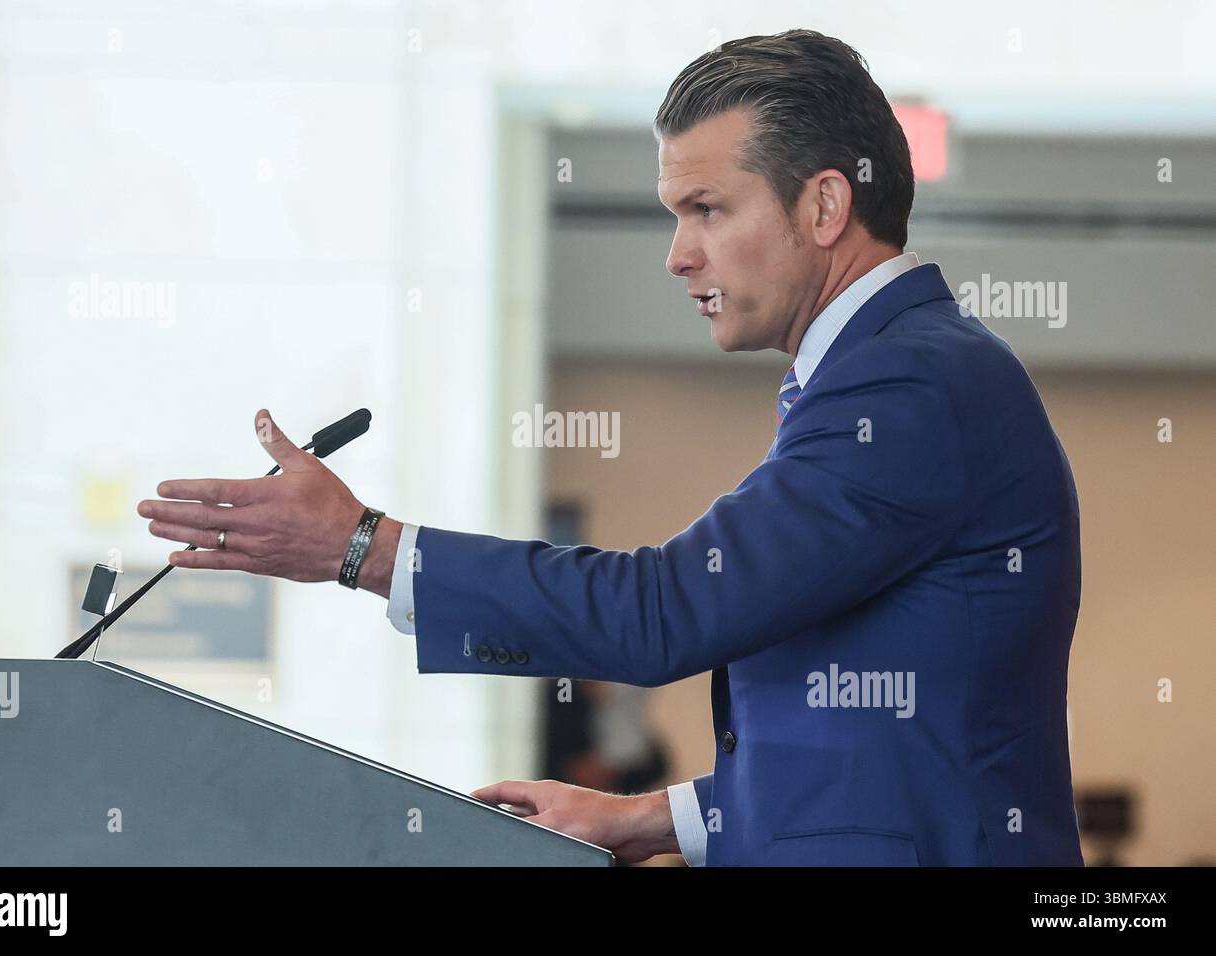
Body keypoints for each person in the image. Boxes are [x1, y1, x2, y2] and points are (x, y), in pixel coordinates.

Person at [138, 30, 1083, 866]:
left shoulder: (911, 385)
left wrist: (365, 549)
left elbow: (667, 611)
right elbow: (871, 756)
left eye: (707, 209)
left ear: (825, 205)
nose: (677, 254)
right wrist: (650, 820)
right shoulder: (892, 375)